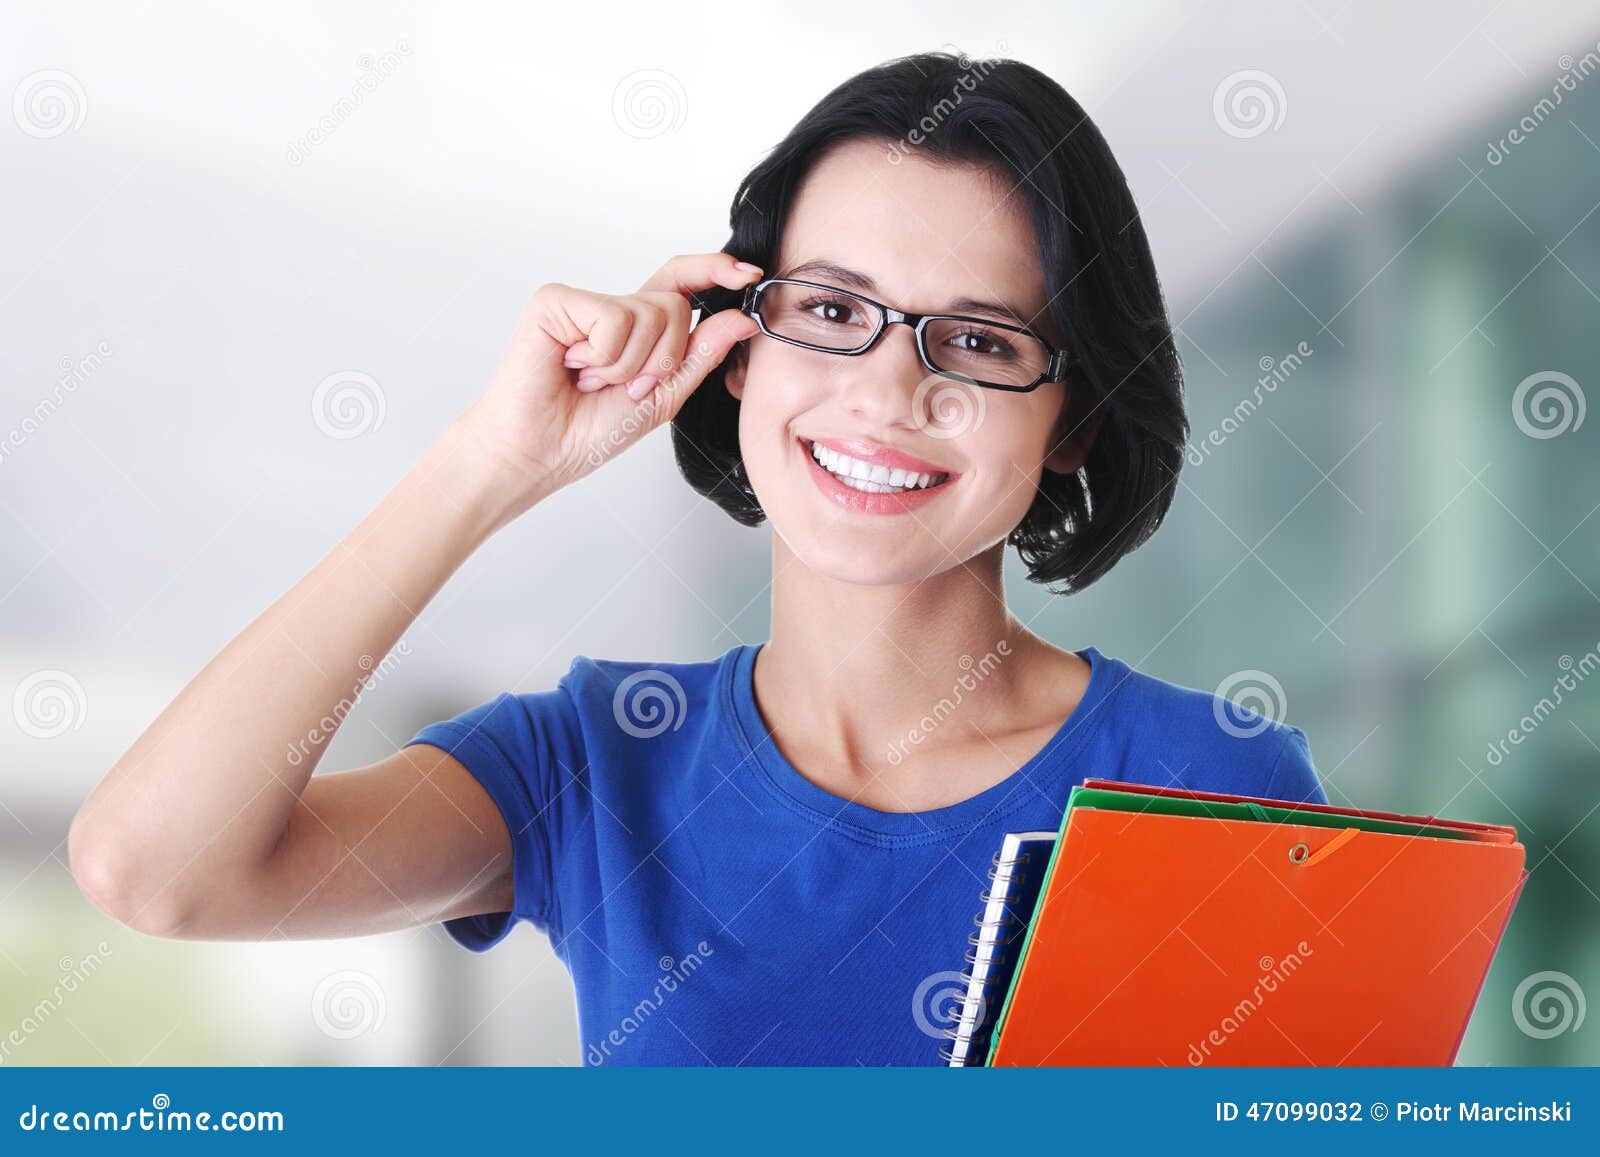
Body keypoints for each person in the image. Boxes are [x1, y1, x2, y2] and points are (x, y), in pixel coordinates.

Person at [69, 51, 1325, 1065]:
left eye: (980, 341)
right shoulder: (592, 762)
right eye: (830, 309)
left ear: (1074, 419)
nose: (888, 391)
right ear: (737, 343)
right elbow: (156, 870)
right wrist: (490, 463)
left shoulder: (1214, 784)